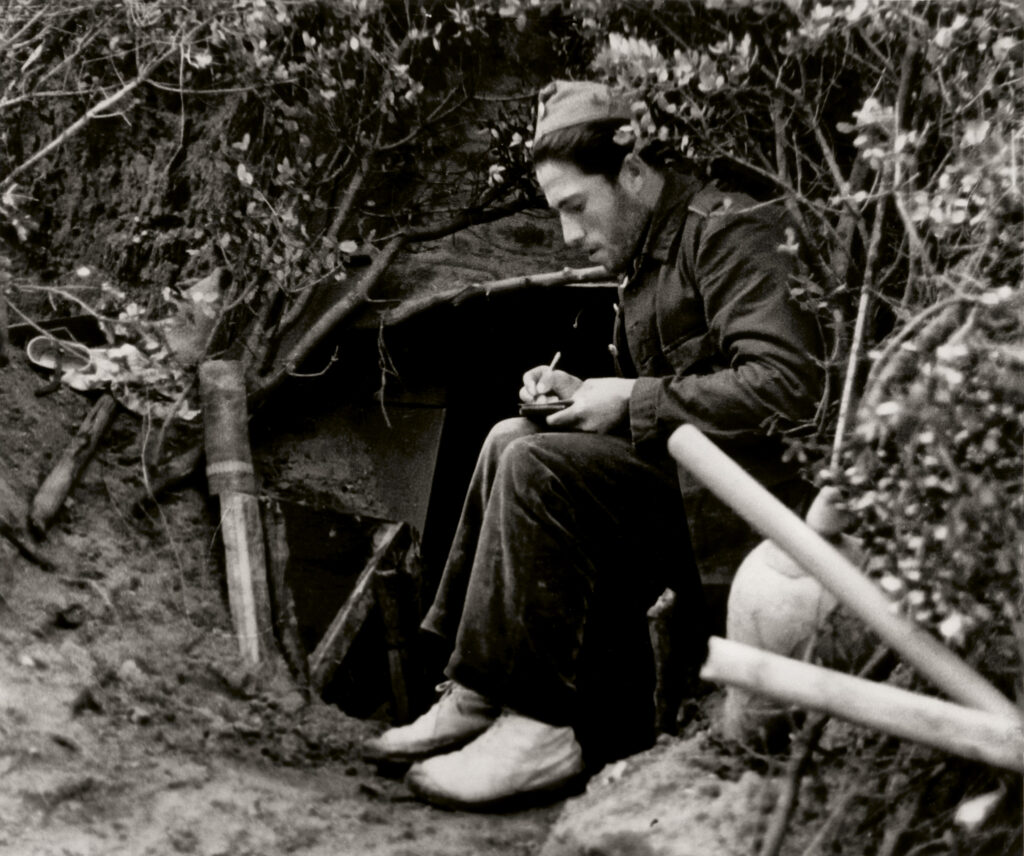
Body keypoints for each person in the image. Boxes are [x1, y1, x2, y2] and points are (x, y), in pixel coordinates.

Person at [362, 79, 824, 809]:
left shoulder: (728, 229)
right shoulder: (650, 251)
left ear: (634, 172)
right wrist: (581, 391)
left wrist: (629, 400)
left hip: (742, 518)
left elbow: (790, 387)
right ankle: (478, 690)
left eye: (576, 207)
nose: (570, 235)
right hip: (686, 490)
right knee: (510, 436)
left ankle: (541, 725)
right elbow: (677, 390)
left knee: (538, 464)